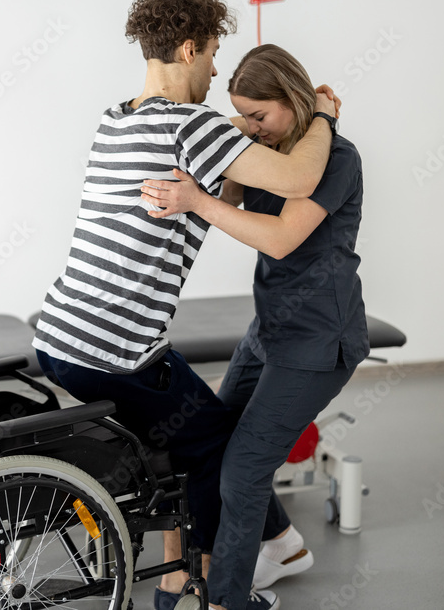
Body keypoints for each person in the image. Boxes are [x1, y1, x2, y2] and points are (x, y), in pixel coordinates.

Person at [31, 0, 336, 609]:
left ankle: (276, 546)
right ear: (192, 49)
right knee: (218, 447)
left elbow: (211, 173)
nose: (220, 67)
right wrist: (326, 115)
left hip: (63, 335)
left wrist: (233, 138)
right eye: (216, 52)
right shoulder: (191, 128)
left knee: (201, 421)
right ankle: (193, 591)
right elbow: (300, 176)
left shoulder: (117, 119)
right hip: (115, 350)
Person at [140, 43, 368, 610]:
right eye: (247, 116)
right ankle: (283, 546)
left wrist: (194, 200)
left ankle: (225, 600)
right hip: (269, 329)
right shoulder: (272, 154)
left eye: (261, 116)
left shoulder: (336, 160)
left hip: (319, 341)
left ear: (294, 101)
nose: (256, 128)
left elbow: (281, 237)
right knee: (216, 441)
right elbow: (236, 197)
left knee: (242, 472)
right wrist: (235, 134)